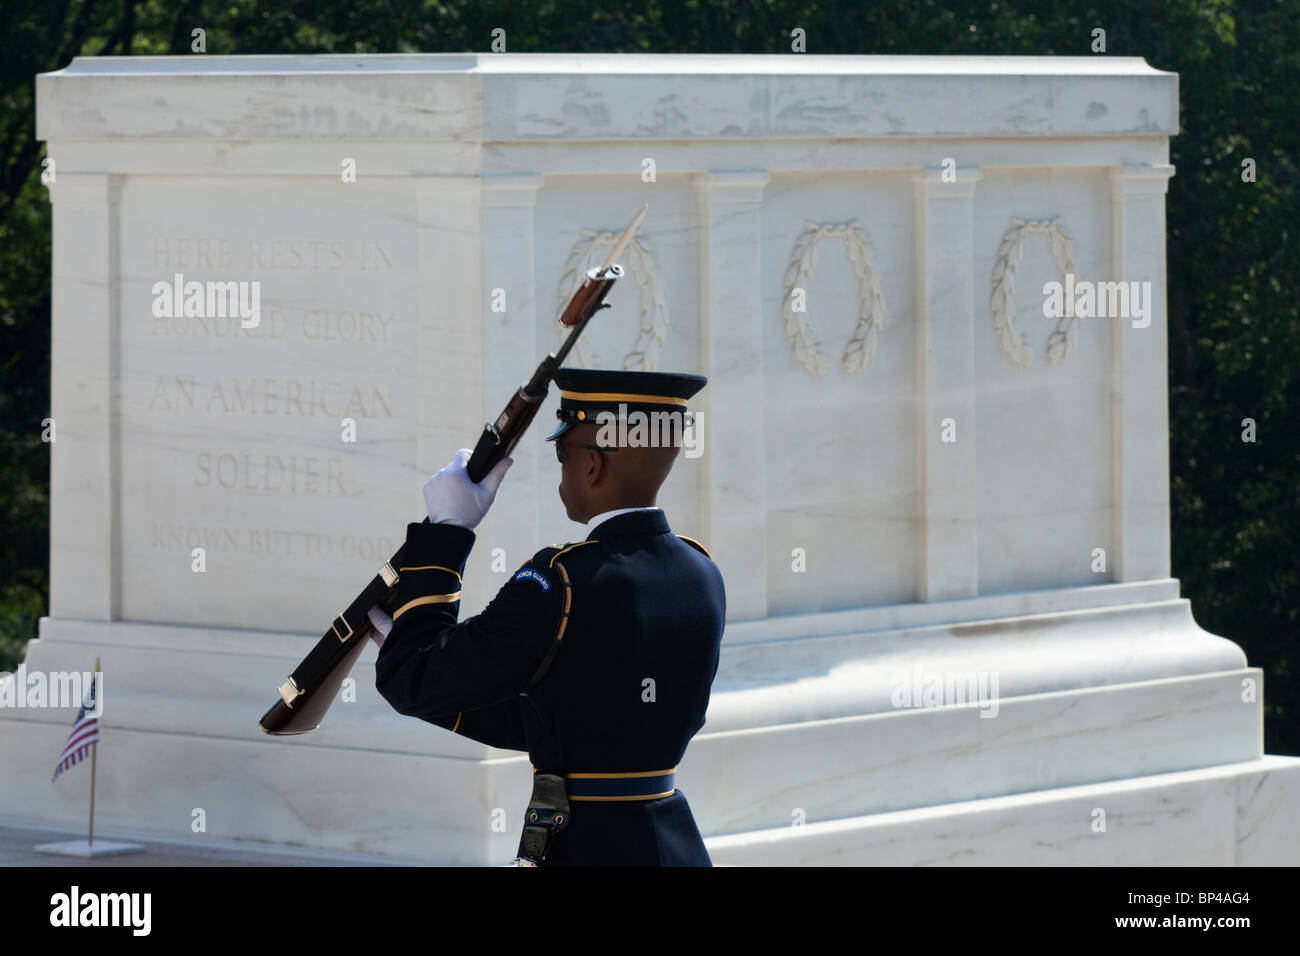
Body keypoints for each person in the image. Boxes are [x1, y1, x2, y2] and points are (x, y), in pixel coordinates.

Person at [368, 368, 725, 866]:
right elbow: (564, 718)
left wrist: (449, 533)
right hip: (672, 843)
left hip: (584, 847)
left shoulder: (561, 581)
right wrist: (428, 671)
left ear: (593, 465)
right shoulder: (702, 574)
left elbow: (415, 680)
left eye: (564, 453)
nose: (561, 469)